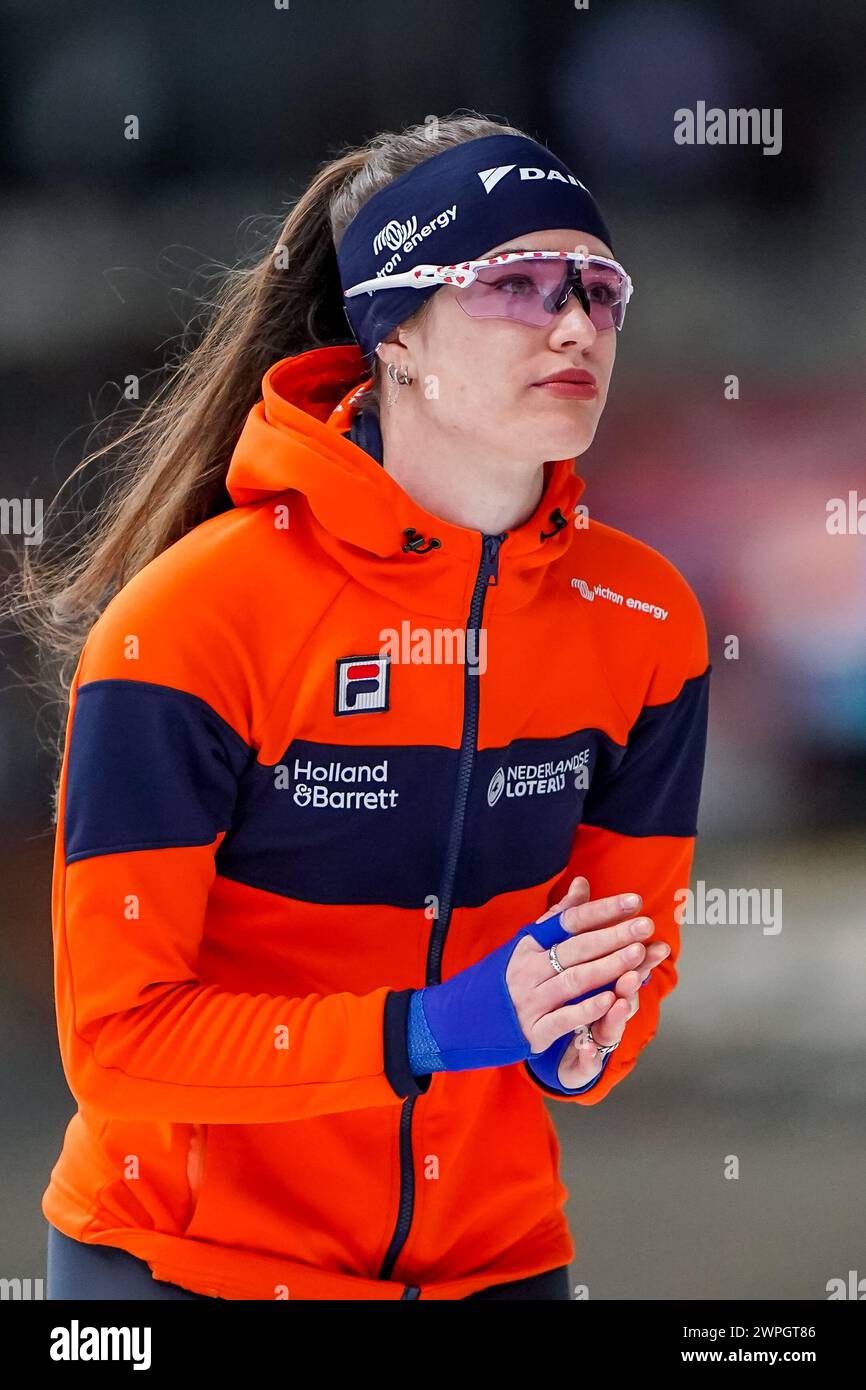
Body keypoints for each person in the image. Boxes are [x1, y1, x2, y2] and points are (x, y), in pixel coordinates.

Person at [25, 111, 710, 1300]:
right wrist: (428, 1031)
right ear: (392, 331)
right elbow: (118, 1042)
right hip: (184, 1268)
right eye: (515, 284)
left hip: (493, 1267)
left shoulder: (643, 620)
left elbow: (625, 958)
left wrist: (579, 1040)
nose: (573, 325)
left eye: (598, 290)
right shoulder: (193, 618)